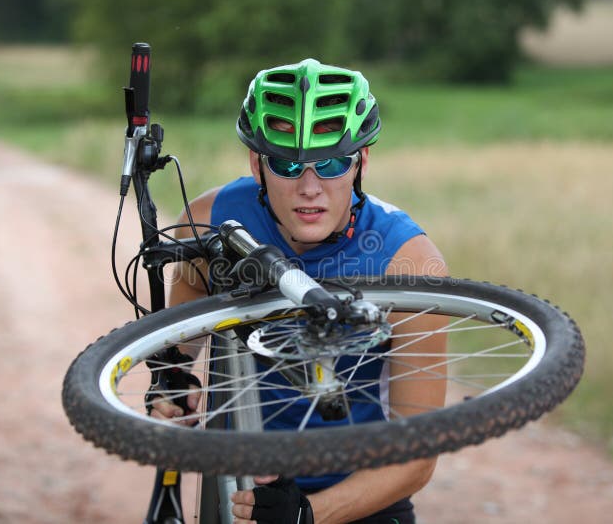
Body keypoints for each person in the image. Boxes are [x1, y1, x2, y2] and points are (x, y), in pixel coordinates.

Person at [154, 58, 448, 523]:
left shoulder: (407, 259)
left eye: (330, 163)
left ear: (361, 162)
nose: (310, 187)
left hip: (359, 499)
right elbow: (180, 345)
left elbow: (417, 457)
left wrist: (308, 514)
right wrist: (173, 383)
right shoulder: (211, 220)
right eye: (287, 163)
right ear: (257, 164)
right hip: (238, 494)